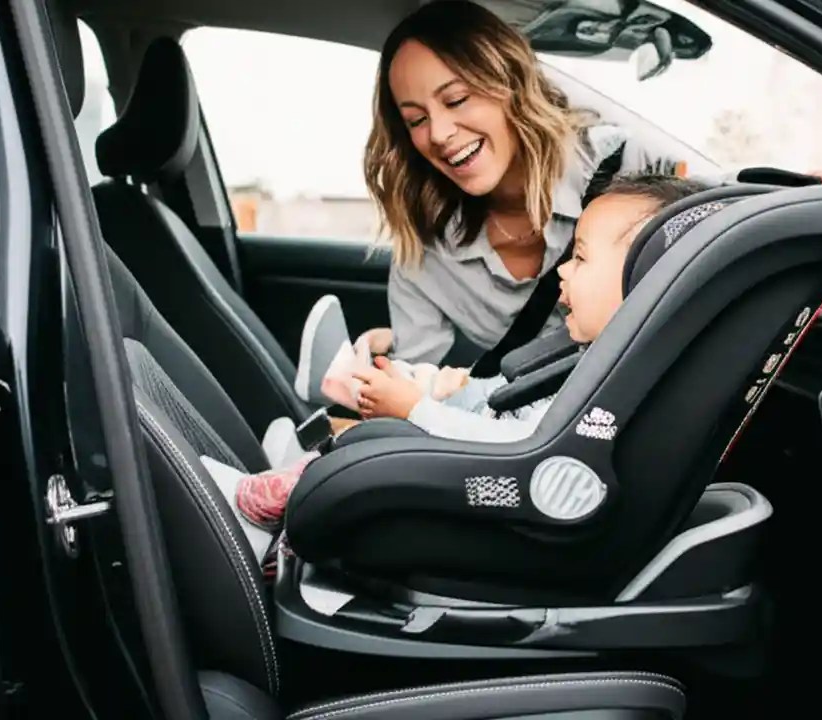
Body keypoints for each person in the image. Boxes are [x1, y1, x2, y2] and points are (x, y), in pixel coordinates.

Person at [234, 175, 705, 535]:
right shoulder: (597, 359)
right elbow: (515, 403)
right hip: (485, 451)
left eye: (580, 258)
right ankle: (312, 442)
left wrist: (416, 410)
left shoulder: (615, 386)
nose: (562, 269)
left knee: (379, 443)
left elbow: (521, 449)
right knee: (429, 401)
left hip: (493, 497)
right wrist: (449, 392)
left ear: (649, 284)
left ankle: (277, 507)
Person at [362, 0, 677, 370]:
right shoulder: (426, 252)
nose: (439, 133)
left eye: (457, 100)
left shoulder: (625, 163)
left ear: (509, 82)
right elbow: (415, 376)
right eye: (416, 120)